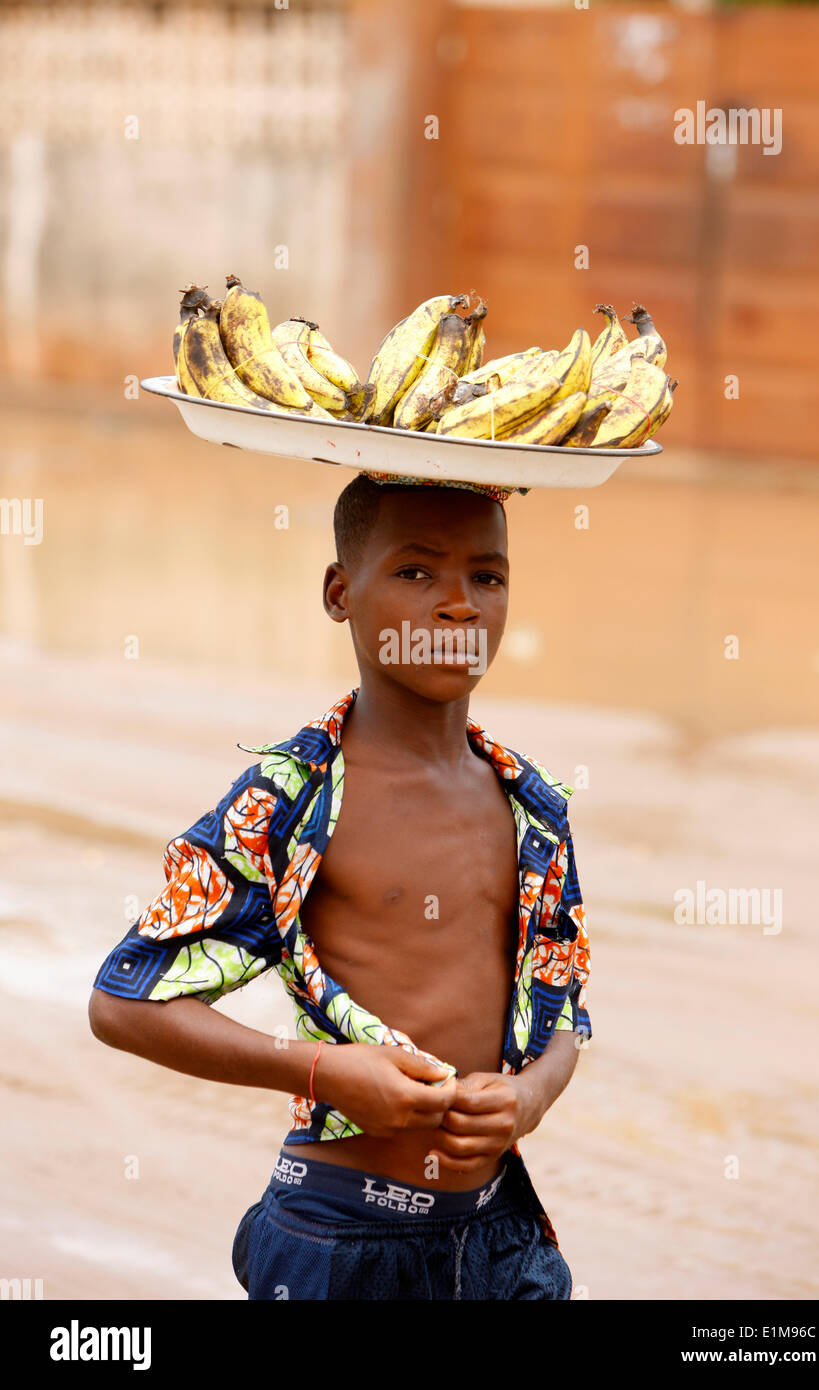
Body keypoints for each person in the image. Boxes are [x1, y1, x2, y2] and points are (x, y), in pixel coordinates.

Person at [89, 472, 592, 1301]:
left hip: (503, 1240)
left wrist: (530, 1096)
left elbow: (564, 1006)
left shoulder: (531, 804)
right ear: (339, 592)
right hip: (338, 1238)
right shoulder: (290, 799)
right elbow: (126, 1002)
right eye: (416, 571)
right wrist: (322, 1072)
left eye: (488, 576)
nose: (459, 605)